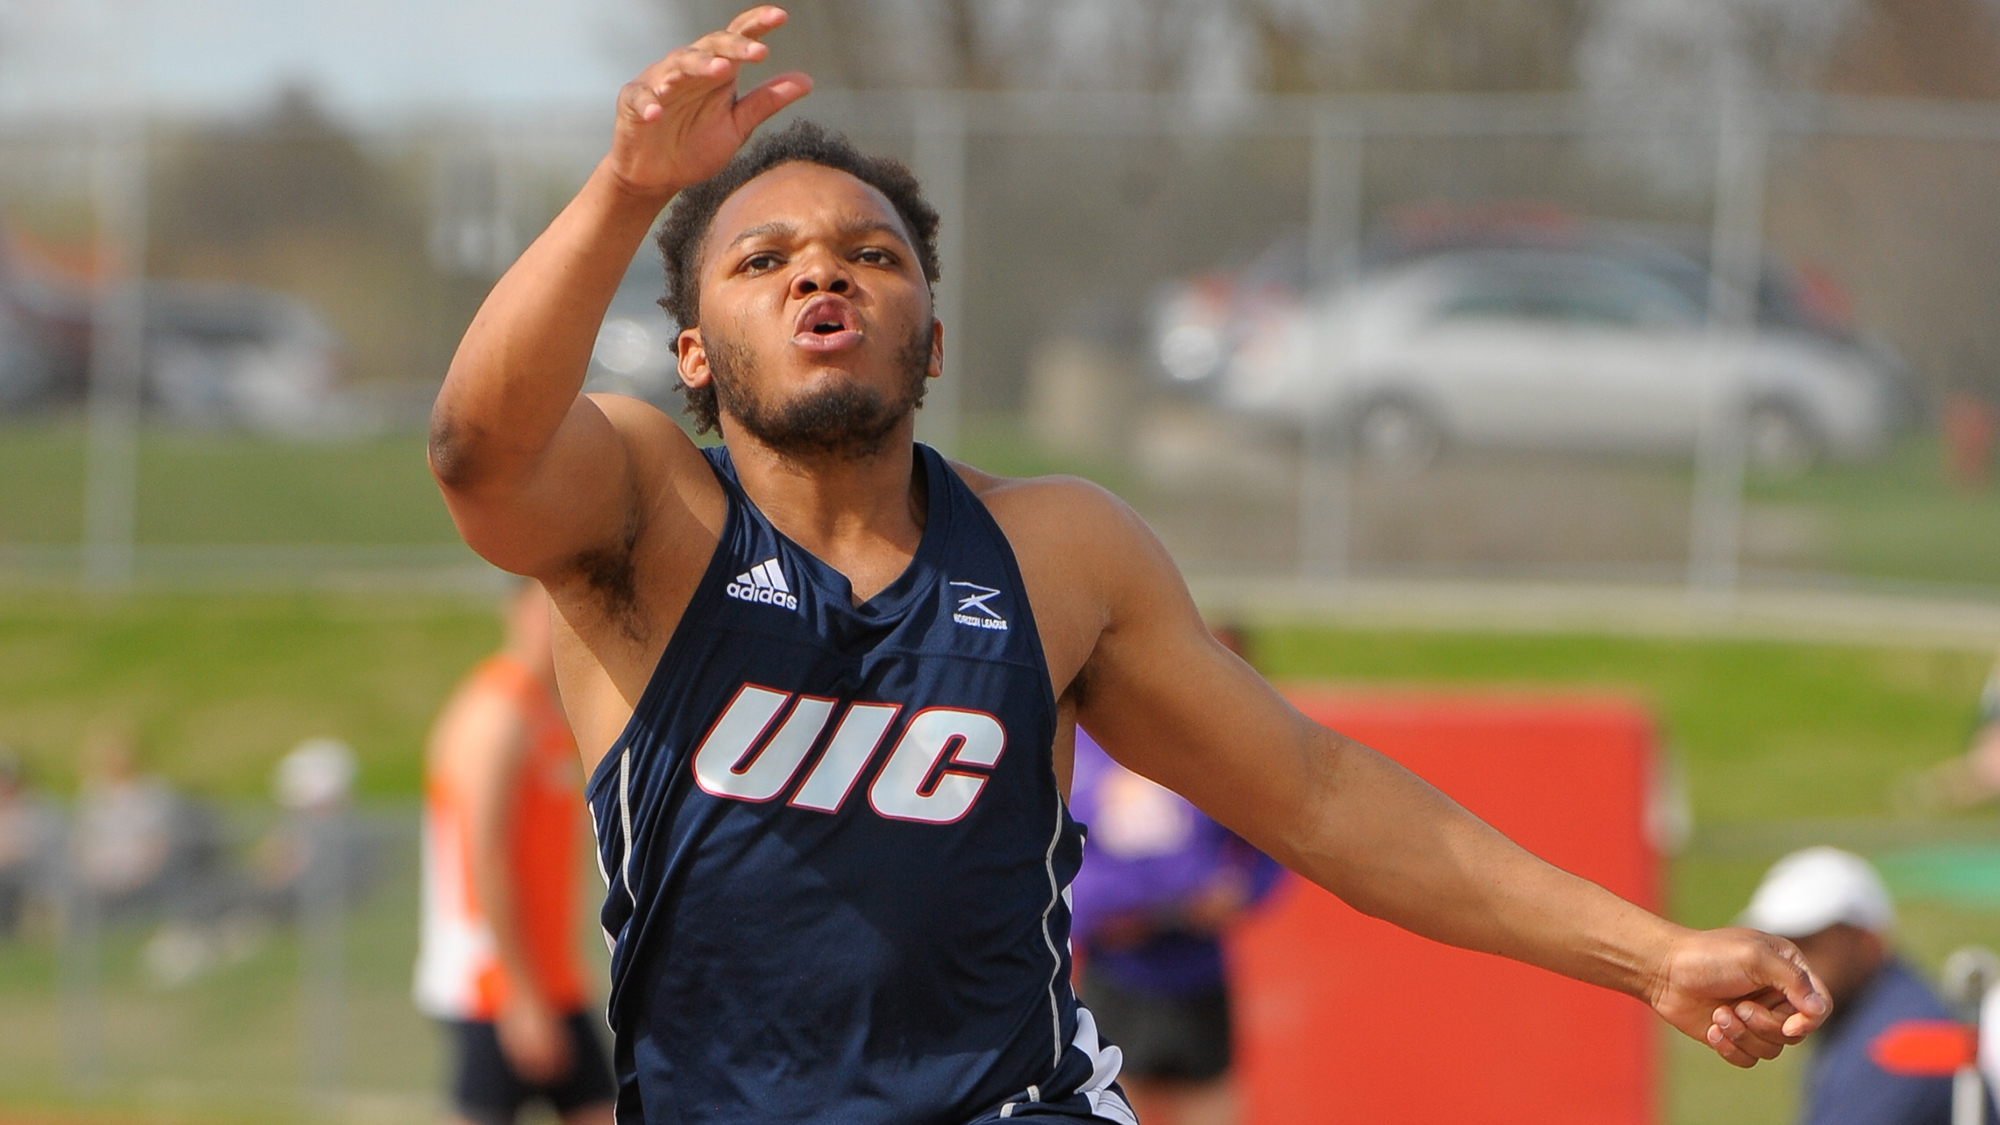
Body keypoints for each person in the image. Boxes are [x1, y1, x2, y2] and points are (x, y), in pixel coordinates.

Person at [426, 9, 1829, 1122]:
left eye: (871, 254)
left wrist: (1654, 954)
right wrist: (625, 189)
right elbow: (479, 453)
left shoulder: (1054, 552)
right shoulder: (646, 517)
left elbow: (1320, 795)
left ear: (933, 338)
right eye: (764, 259)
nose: (821, 275)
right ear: (691, 352)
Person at [413, 583, 615, 1125]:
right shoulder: (494, 714)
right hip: (493, 985)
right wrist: (519, 995)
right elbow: (484, 857)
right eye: (548, 607)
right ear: (518, 611)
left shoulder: (546, 710)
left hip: (553, 978)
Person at [1069, 722, 1280, 1125]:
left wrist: (1237, 890)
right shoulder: (1077, 746)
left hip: (1197, 977)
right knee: (1111, 1106)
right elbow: (1058, 862)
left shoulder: (1206, 741)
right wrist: (1109, 912)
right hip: (1116, 979)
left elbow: (1268, 843)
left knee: (1211, 1105)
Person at [1740, 847, 1993, 1125]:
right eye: (1775, 949)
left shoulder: (1907, 1037)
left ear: (1867, 941)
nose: (1784, 967)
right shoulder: (1866, 1018)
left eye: (1806, 945)